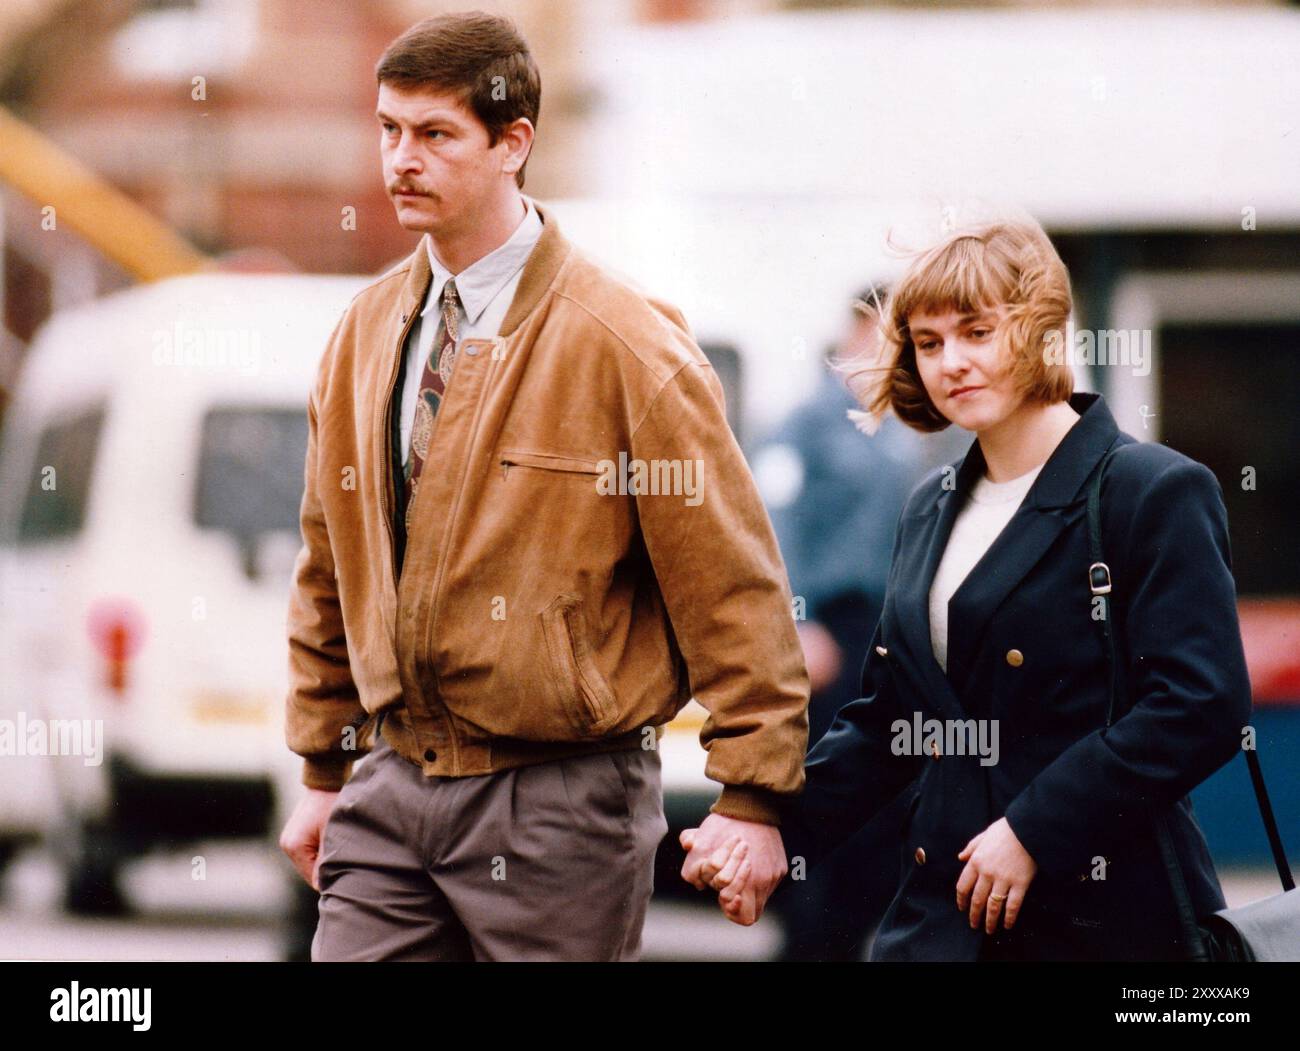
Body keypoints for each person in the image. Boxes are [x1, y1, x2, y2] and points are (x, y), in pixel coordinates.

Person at [277, 11, 809, 962]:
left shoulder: (628, 346)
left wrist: (753, 795)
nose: (402, 159)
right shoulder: (360, 334)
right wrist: (323, 768)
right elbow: (329, 563)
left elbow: (731, 580)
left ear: (512, 142)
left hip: (561, 804)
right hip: (391, 786)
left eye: (436, 134)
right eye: (389, 129)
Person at [692, 218, 1253, 960]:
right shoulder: (931, 503)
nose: (951, 362)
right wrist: (763, 820)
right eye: (928, 343)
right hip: (942, 916)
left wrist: (1033, 829)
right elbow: (893, 719)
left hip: (1104, 920)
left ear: (1039, 330)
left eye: (976, 332)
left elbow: (1200, 705)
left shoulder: (1149, 490)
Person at [750, 286, 928, 960]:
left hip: (891, 634)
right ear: (855, 328)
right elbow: (774, 523)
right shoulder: (808, 422)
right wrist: (799, 621)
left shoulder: (906, 423)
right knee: (828, 798)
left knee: (887, 810)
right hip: (831, 631)